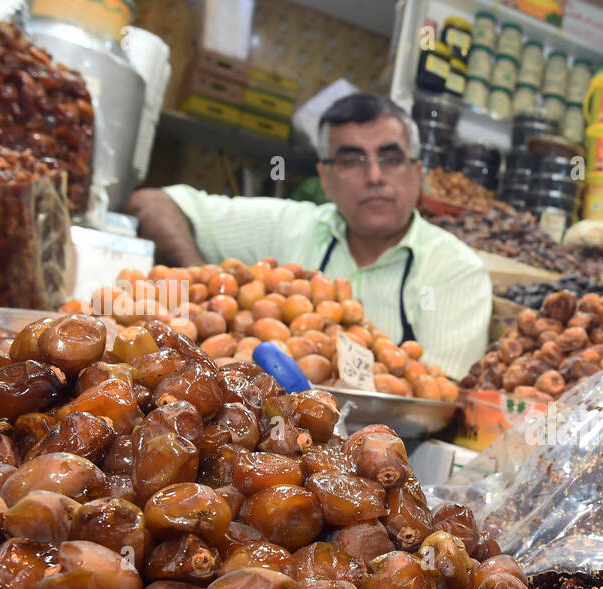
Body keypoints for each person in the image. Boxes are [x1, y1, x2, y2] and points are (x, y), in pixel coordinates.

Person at [125, 93, 490, 380]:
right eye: (352, 160)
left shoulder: (456, 270)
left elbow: (441, 400)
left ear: (417, 172)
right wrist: (207, 291)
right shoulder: (291, 225)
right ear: (326, 178)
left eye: (390, 158)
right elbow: (153, 203)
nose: (375, 176)